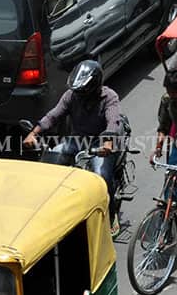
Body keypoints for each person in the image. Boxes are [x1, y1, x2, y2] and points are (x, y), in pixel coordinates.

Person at [23, 59, 123, 228]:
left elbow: (113, 121)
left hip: (100, 143)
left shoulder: (109, 97)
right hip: (77, 140)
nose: (78, 94)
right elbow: (53, 115)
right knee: (50, 164)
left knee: (102, 177)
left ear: (93, 87)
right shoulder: (71, 95)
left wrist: (107, 143)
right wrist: (33, 133)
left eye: (81, 91)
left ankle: (111, 217)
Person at [152, 69, 177, 166]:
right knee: (171, 171)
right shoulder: (167, 101)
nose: (172, 95)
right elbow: (163, 128)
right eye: (169, 91)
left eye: (175, 91)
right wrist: (158, 148)